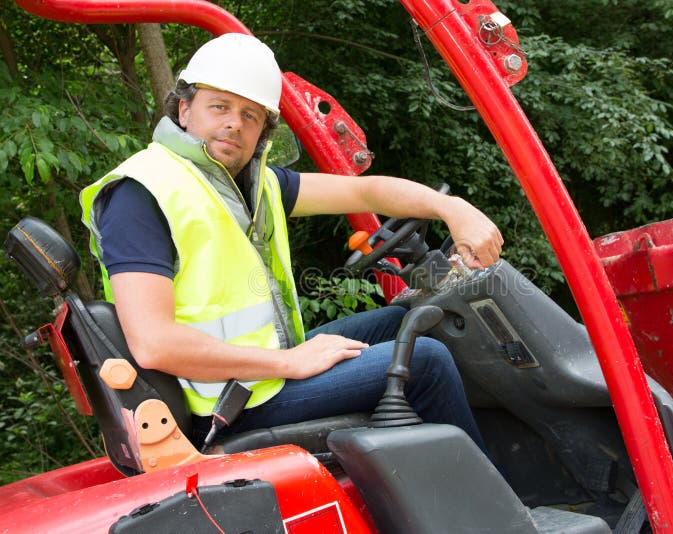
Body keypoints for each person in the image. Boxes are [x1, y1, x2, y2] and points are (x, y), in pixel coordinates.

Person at [79, 33, 503, 451]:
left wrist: (454, 209)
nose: (234, 123)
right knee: (425, 361)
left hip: (260, 374)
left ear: (264, 128)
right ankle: (495, 513)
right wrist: (289, 363)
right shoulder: (142, 193)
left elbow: (364, 192)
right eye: (220, 106)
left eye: (250, 115)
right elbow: (155, 343)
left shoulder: (251, 185)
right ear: (185, 109)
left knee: (414, 316)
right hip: (228, 405)